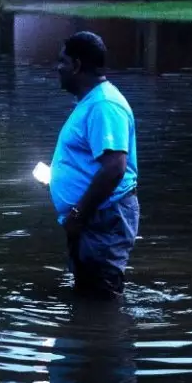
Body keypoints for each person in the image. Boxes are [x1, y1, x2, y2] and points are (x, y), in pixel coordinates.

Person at [49, 31, 139, 299]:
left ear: (77, 66)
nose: (58, 68)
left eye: (62, 61)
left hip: (103, 215)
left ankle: (106, 338)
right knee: (88, 293)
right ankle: (92, 334)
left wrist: (78, 213)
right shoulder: (90, 103)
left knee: (102, 295)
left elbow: (115, 167)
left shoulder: (104, 105)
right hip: (92, 216)